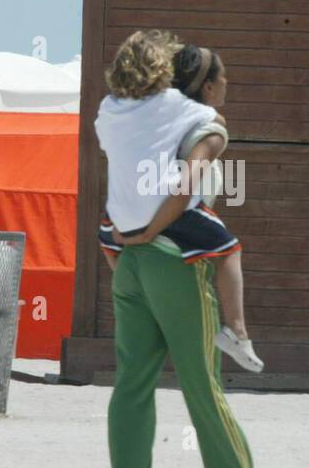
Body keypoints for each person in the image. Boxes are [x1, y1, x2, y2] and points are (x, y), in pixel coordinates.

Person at [94, 29, 259, 468]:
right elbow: (188, 183)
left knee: (132, 383)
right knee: (201, 381)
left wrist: (135, 240)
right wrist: (151, 230)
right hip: (173, 261)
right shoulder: (200, 118)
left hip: (127, 265)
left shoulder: (110, 113)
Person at [101, 42, 262, 372]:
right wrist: (150, 231)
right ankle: (238, 330)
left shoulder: (155, 115)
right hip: (178, 209)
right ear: (208, 86)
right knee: (230, 250)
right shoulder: (209, 127)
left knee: (108, 234)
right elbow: (186, 186)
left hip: (139, 205)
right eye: (224, 77)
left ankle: (141, 290)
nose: (227, 83)